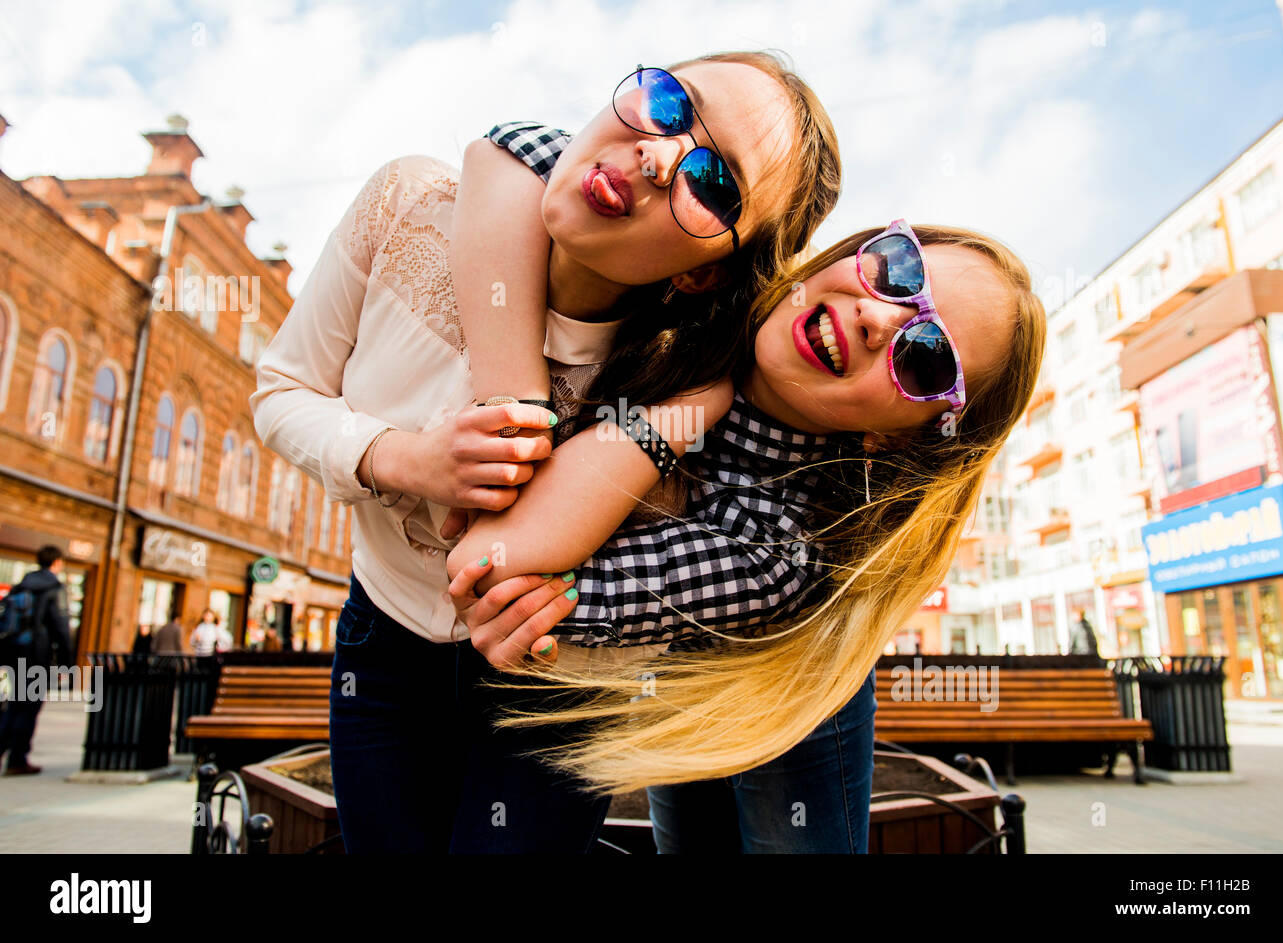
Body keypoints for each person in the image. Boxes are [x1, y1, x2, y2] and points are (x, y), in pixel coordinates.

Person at [250, 52, 841, 853]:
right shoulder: (409, 204)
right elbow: (282, 390)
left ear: (707, 278)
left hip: (564, 684)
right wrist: (401, 458)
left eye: (716, 185)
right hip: (380, 639)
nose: (660, 154)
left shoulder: (686, 396)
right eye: (669, 101)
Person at [447, 218, 1046, 851]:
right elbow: (517, 158)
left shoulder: (785, 548)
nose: (878, 315)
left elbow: (498, 578)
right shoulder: (716, 260)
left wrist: (673, 421)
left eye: (927, 357)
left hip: (796, 678)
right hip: (677, 676)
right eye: (900, 270)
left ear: (901, 437)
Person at [0, 545, 75, 776]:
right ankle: (17, 759)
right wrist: (66, 665)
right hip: (35, 655)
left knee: (13, 704)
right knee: (28, 706)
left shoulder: (21, 585)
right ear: (57, 562)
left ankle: (5, 751)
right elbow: (61, 628)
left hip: (12, 652)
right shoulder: (54, 588)